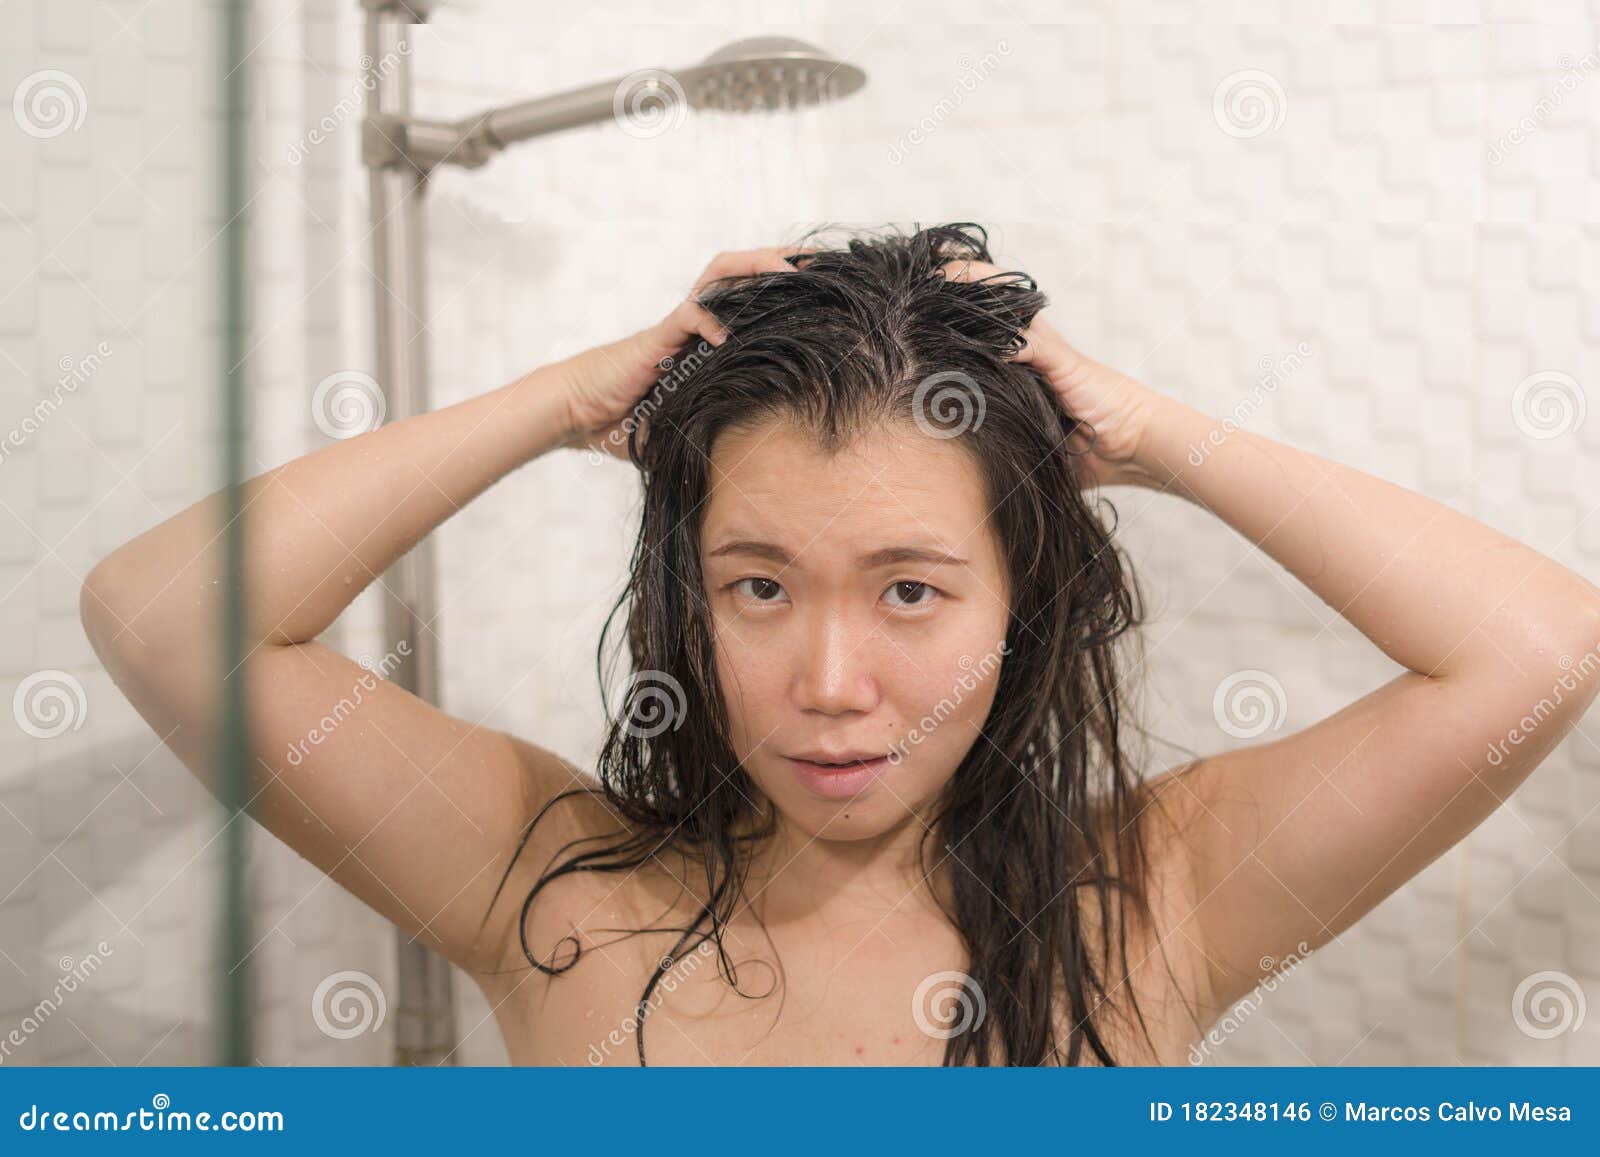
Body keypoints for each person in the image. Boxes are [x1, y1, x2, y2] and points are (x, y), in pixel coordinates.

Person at [80, 223, 1600, 1066]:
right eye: (757, 587)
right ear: (690, 598)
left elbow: (1538, 646)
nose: (827, 683)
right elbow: (162, 620)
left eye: (912, 590)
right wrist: (558, 400)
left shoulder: (1158, 899)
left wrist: (1152, 436)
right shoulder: (545, 876)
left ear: (1026, 602)